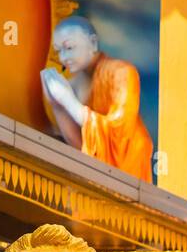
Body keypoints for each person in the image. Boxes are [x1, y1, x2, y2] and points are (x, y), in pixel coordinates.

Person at [41, 16, 154, 182]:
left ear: (93, 43)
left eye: (69, 47)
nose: (64, 58)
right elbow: (84, 147)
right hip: (96, 177)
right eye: (58, 51)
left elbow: (118, 131)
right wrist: (57, 105)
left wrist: (70, 102)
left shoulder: (122, 72)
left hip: (129, 166)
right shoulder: (75, 84)